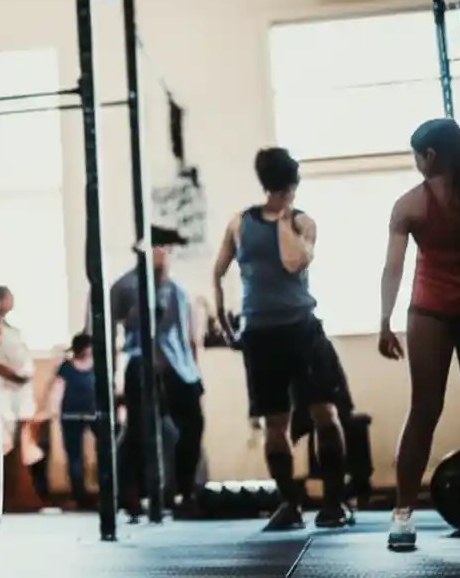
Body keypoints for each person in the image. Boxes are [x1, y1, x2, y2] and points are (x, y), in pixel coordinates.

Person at [377, 118, 460, 557]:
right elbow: (395, 267)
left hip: (453, 312)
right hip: (452, 311)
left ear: (429, 156)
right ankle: (409, 514)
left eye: (417, 156)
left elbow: (393, 268)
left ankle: (406, 517)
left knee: (454, 411)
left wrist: (384, 320)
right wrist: (384, 319)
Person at [211, 147, 353, 531]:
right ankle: (293, 504)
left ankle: (331, 503)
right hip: (264, 333)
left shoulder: (297, 222)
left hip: (297, 329)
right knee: (285, 421)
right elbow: (219, 270)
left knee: (323, 413)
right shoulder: (243, 222)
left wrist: (283, 215)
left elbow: (295, 261)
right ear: (293, 182)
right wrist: (225, 324)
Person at [111, 226, 205, 518]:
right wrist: (113, 380)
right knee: (139, 431)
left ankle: (184, 492)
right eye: (158, 247)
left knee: (192, 427)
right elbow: (108, 334)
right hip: (141, 365)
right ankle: (129, 495)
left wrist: (195, 371)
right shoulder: (125, 287)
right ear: (144, 250)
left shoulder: (177, 290)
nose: (165, 253)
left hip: (178, 368)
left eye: (168, 248)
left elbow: (187, 338)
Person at [36, 331, 97, 509]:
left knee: (100, 453)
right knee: (75, 457)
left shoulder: (95, 367)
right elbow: (56, 390)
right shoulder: (66, 367)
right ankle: (80, 496)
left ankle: (101, 491)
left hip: (92, 414)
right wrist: (51, 413)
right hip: (70, 416)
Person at [0, 286, 40, 464]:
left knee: (21, 443)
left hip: (18, 394)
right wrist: (13, 375)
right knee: (6, 444)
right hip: (4, 393)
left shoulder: (11, 328)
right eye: (9, 298)